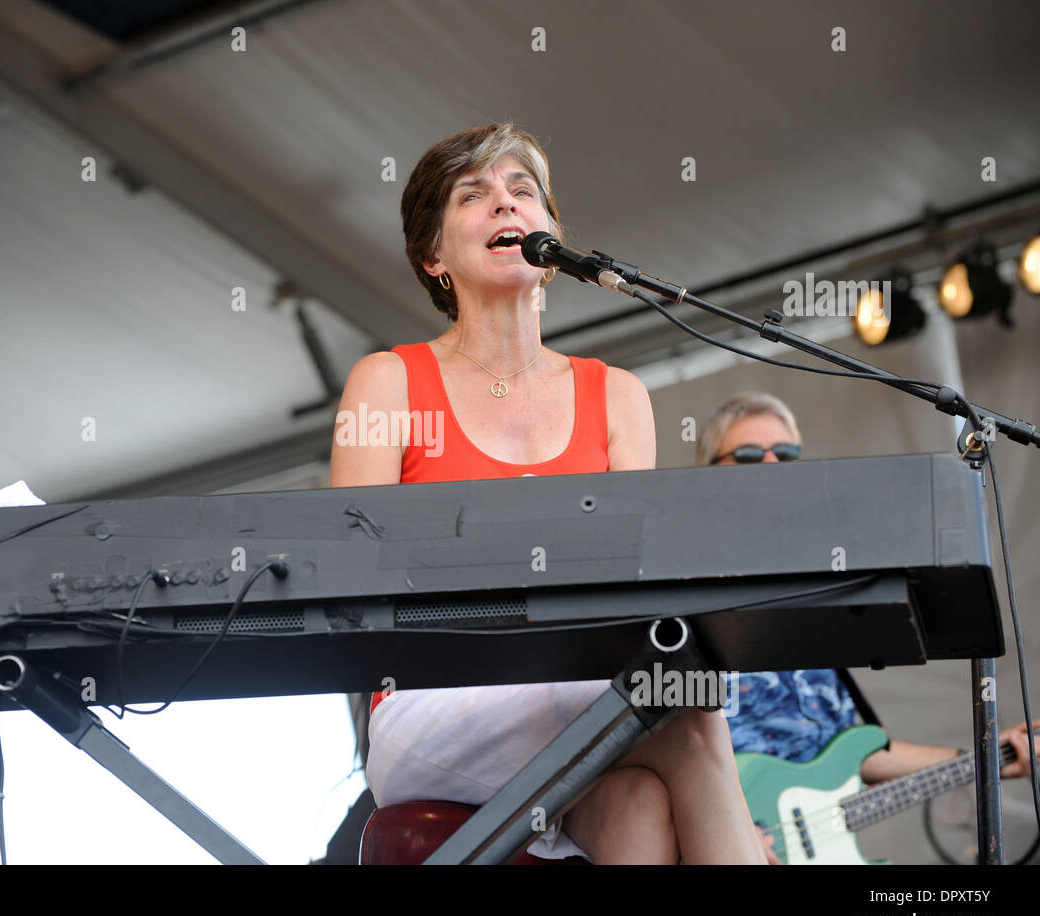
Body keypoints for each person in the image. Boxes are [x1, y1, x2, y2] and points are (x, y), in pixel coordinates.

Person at [329, 122, 765, 864]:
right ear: (432, 255)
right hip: (434, 694)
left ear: (552, 243)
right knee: (684, 711)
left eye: (522, 191)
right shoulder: (390, 381)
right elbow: (347, 582)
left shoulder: (618, 396)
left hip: (581, 680)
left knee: (638, 800)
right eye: (476, 195)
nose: (505, 205)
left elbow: (639, 591)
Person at [697, 391, 1040, 861]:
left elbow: (858, 753)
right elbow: (667, 734)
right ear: (706, 474)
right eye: (752, 454)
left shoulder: (818, 593)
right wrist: (724, 822)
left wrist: (989, 757)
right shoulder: (691, 583)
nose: (773, 463)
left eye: (787, 454)